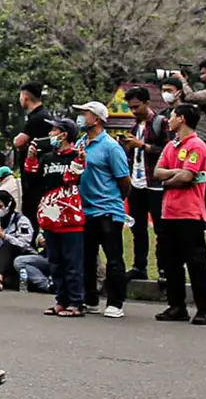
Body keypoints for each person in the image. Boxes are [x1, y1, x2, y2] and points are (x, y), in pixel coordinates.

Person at [152, 104, 206, 323]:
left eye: (172, 116)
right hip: (168, 212)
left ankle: (204, 309)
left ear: (181, 118)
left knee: (196, 263)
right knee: (170, 262)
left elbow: (187, 177)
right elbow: (157, 172)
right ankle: (176, 306)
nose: (168, 120)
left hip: (189, 213)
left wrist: (170, 179)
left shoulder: (197, 145)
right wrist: (174, 176)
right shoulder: (171, 145)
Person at [74, 101, 131, 317]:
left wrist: (116, 200)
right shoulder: (81, 143)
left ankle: (116, 302)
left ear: (96, 119)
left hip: (107, 209)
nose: (81, 117)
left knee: (113, 258)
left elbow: (124, 180)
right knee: (87, 257)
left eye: (85, 113)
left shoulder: (110, 146)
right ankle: (90, 298)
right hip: (85, 209)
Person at [33, 121, 89, 317]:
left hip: (69, 216)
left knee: (72, 263)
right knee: (55, 262)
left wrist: (79, 161)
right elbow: (35, 177)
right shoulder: (47, 158)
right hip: (50, 215)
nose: (50, 133)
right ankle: (60, 300)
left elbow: (71, 178)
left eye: (54, 130)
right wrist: (32, 157)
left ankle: (76, 302)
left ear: (64, 134)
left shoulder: (77, 156)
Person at [121, 83, 167, 278]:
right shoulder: (134, 126)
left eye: (137, 106)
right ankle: (140, 267)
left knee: (160, 229)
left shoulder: (160, 123)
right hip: (137, 183)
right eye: (131, 107)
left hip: (155, 183)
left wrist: (142, 145)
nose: (134, 111)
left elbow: (167, 150)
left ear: (147, 103)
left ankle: (164, 268)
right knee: (137, 227)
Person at [13, 83, 53, 221]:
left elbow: (18, 142)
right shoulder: (43, 115)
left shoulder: (37, 117)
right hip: (38, 172)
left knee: (31, 211)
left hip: (35, 175)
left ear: (25, 97)